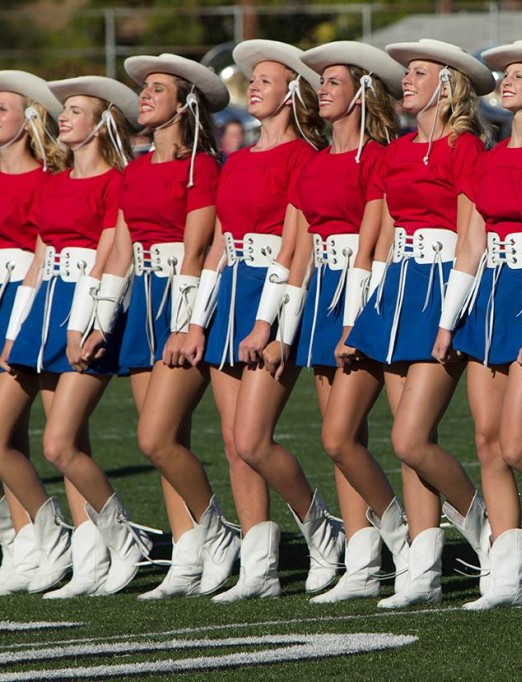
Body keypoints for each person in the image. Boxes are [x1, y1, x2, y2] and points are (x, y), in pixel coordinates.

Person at [79, 53, 240, 600]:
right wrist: (102, 320)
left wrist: (186, 321)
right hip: (141, 306)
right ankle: (187, 552)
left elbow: (196, 251)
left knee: (154, 437)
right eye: (144, 88)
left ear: (184, 102)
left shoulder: (204, 167)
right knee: (168, 440)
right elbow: (122, 249)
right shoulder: (135, 169)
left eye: (157, 89)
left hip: (184, 304)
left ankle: (216, 535)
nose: (144, 96)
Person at [343, 38, 494, 608]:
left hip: (440, 294)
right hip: (397, 293)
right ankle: (423, 571)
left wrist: (450, 318)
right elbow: (378, 239)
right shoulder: (396, 151)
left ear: (448, 84)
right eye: (406, 73)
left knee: (409, 438)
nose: (406, 80)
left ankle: (488, 538)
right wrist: (360, 314)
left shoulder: (465, 146)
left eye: (420, 72)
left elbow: (470, 238)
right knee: (409, 442)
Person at [182, 39, 335, 601]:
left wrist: (269, 326)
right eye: (253, 80)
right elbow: (219, 246)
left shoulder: (303, 159)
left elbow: (297, 250)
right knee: (232, 442)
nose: (253, 87)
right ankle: (260, 565)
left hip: (277, 300)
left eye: (266, 80)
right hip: (231, 297)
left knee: (253, 439)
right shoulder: (238, 159)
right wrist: (198, 321)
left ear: (293, 91)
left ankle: (323, 533)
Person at [431, 40, 522, 609]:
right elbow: (470, 244)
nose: (506, 82)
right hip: (483, 302)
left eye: (518, 75)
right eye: (505, 75)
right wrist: (449, 322)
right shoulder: (488, 158)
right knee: (488, 445)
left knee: (519, 446)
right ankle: (508, 576)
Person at [263, 41, 403, 603]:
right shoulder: (315, 162)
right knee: (342, 442)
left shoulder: (377, 157)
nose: (322, 89)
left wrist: (355, 321)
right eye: (320, 83)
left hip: (362, 298)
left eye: (334, 82)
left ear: (362, 93)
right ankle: (364, 561)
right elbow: (295, 254)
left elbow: (373, 246)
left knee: (343, 438)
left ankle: (404, 540)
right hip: (319, 297)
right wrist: (277, 326)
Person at [2, 75, 148, 597]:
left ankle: (118, 541)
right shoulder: (54, 180)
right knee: (28, 439)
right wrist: (15, 331)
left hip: (87, 318)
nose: (63, 116)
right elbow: (39, 262)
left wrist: (87, 325)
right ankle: (67, 546)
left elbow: (112, 257)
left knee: (60, 444)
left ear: (103, 122)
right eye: (63, 110)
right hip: (42, 313)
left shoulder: (117, 183)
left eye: (76, 110)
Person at [0, 70, 71, 595]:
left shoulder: (50, 177)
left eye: (2, 110)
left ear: (27, 121)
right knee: (12, 437)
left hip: (29, 308)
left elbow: (47, 256)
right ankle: (22, 542)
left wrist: (18, 326)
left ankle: (55, 535)